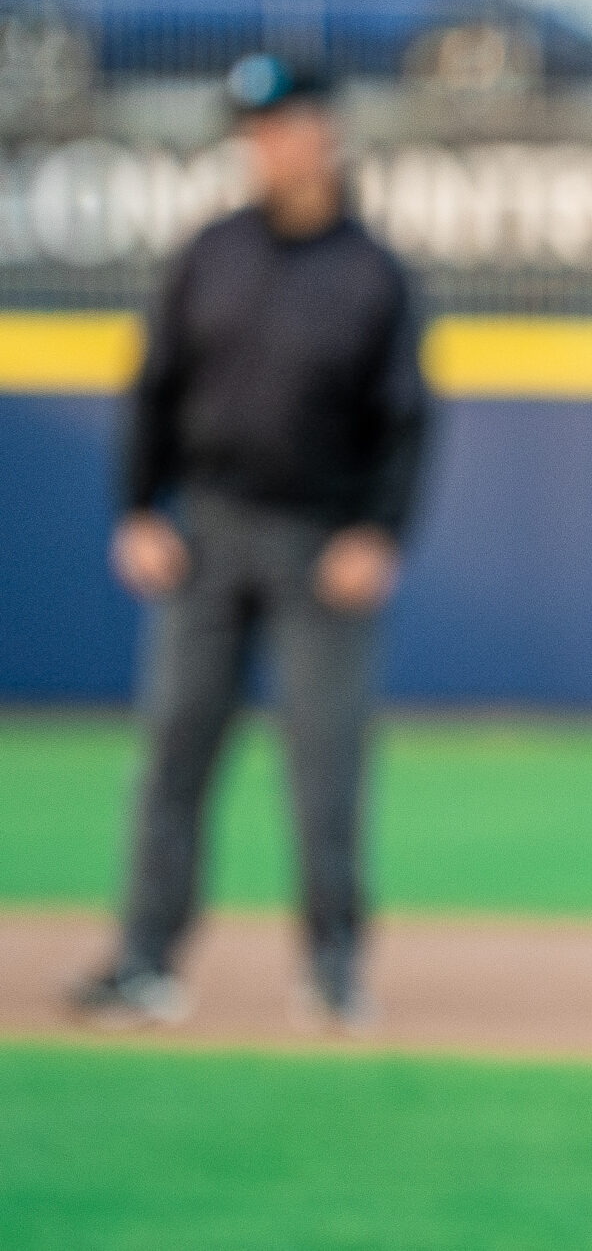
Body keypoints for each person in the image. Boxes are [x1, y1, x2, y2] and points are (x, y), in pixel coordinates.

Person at [69, 55, 430, 1031]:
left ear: (325, 131)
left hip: (322, 543)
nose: (267, 145)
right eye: (252, 129)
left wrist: (377, 530)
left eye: (282, 124)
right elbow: (153, 386)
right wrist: (140, 505)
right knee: (174, 753)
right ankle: (146, 963)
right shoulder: (212, 250)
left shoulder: (372, 270)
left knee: (325, 763)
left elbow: (405, 419)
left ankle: (334, 969)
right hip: (211, 533)